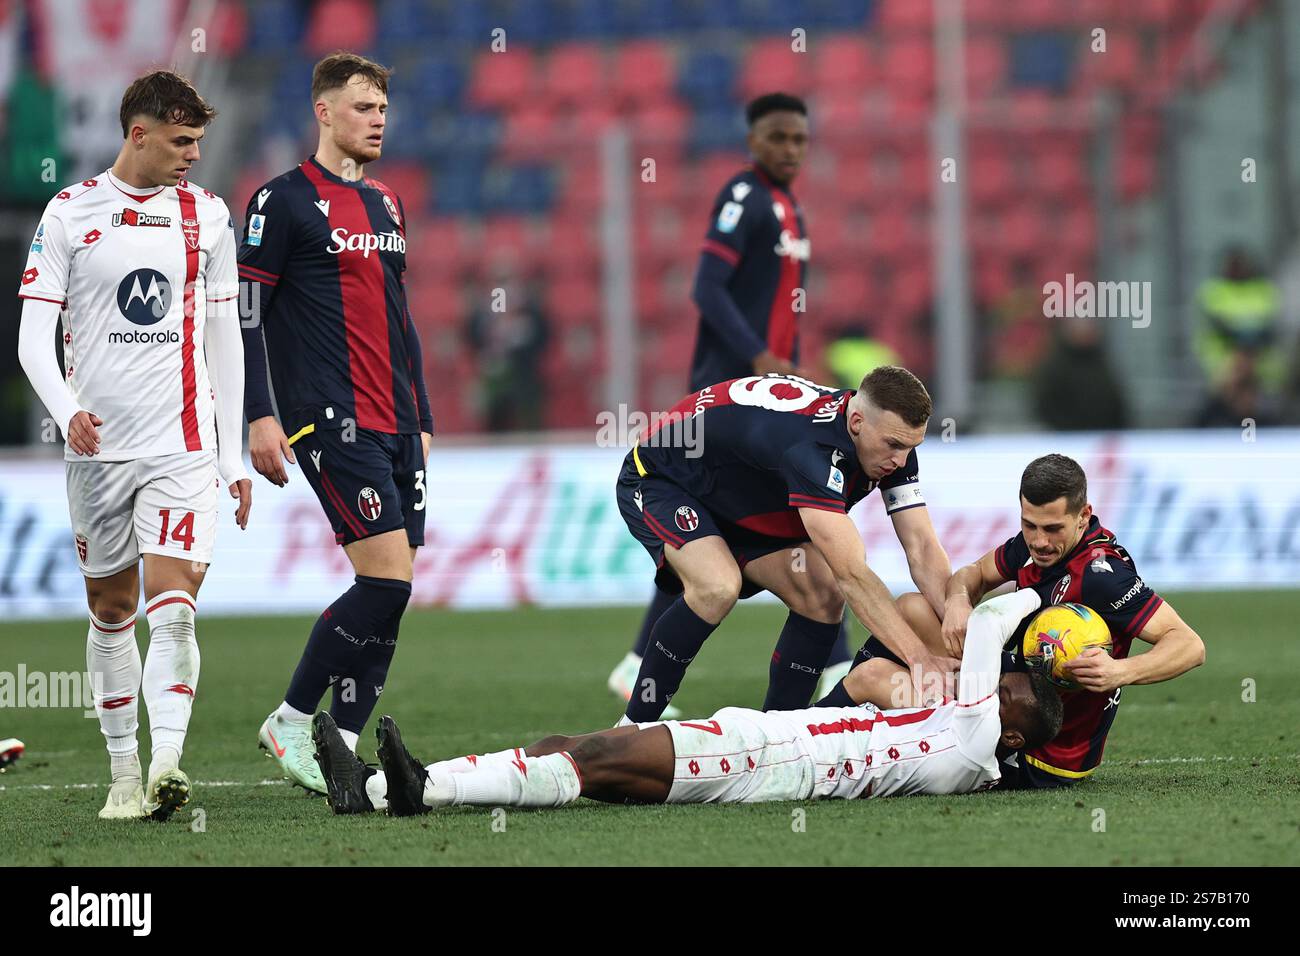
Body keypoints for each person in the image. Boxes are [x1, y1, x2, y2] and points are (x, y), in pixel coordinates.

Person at [15, 71, 250, 820]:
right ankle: (122, 776)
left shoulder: (208, 215)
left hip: (182, 443)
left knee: (173, 604)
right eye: (181, 142)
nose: (192, 156)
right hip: (99, 452)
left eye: (200, 143)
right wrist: (66, 408)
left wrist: (231, 453)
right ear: (138, 134)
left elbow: (225, 337)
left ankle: (168, 764)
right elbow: (31, 337)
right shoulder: (69, 212)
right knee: (112, 609)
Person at [311, 589, 1062, 814]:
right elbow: (867, 683)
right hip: (773, 740)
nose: (992, 691)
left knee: (600, 754)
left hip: (779, 762)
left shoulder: (972, 746)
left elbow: (991, 619)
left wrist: (1038, 585)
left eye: (1008, 699)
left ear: (1015, 740)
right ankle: (377, 791)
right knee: (568, 746)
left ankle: (424, 790)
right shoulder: (956, 727)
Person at [607, 92, 844, 716]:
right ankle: (838, 660)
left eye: (800, 139)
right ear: (753, 141)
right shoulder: (744, 197)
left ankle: (638, 663)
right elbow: (707, 287)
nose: (790, 150)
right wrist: (759, 358)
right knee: (783, 522)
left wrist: (785, 372)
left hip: (768, 399)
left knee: (728, 533)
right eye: (778, 138)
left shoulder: (790, 208)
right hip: (729, 398)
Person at [237, 52, 432, 792]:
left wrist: (425, 413)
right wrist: (261, 415)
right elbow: (247, 313)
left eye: (382, 107)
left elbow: (397, 316)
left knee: (399, 585)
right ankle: (291, 716)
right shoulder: (280, 202)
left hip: (396, 421)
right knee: (382, 583)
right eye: (361, 107)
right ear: (323, 111)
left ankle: (339, 743)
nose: (377, 119)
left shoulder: (387, 203)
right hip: (331, 417)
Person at [819, 453, 1205, 788]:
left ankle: (811, 737)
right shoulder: (1036, 546)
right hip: (1010, 682)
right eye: (1029, 525)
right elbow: (974, 573)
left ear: (1083, 516)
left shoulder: (1103, 577)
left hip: (1037, 747)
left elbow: (1189, 645)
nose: (1038, 541)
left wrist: (1119, 672)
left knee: (872, 678)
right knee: (914, 609)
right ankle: (856, 724)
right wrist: (956, 601)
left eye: (1052, 528)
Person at [615, 365, 953, 725]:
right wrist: (920, 660)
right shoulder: (811, 450)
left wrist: (961, 630)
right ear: (856, 423)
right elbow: (852, 574)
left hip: (745, 494)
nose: (901, 461)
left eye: (911, 447)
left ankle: (778, 736)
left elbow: (921, 545)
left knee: (821, 594)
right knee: (717, 585)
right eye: (894, 446)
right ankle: (632, 727)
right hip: (664, 478)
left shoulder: (886, 441)